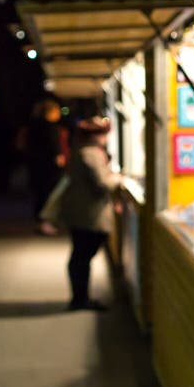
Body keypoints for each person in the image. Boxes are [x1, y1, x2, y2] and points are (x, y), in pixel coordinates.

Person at [61, 117, 121, 311]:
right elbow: (102, 184)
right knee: (82, 255)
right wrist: (118, 180)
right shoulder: (92, 154)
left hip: (79, 211)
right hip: (88, 213)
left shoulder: (80, 151)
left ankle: (79, 297)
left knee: (80, 255)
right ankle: (80, 299)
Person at [25, 98, 64, 233]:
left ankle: (40, 221)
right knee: (48, 194)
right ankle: (46, 222)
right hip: (48, 166)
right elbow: (54, 147)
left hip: (35, 165)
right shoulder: (50, 127)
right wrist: (59, 157)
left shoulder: (33, 125)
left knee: (39, 193)